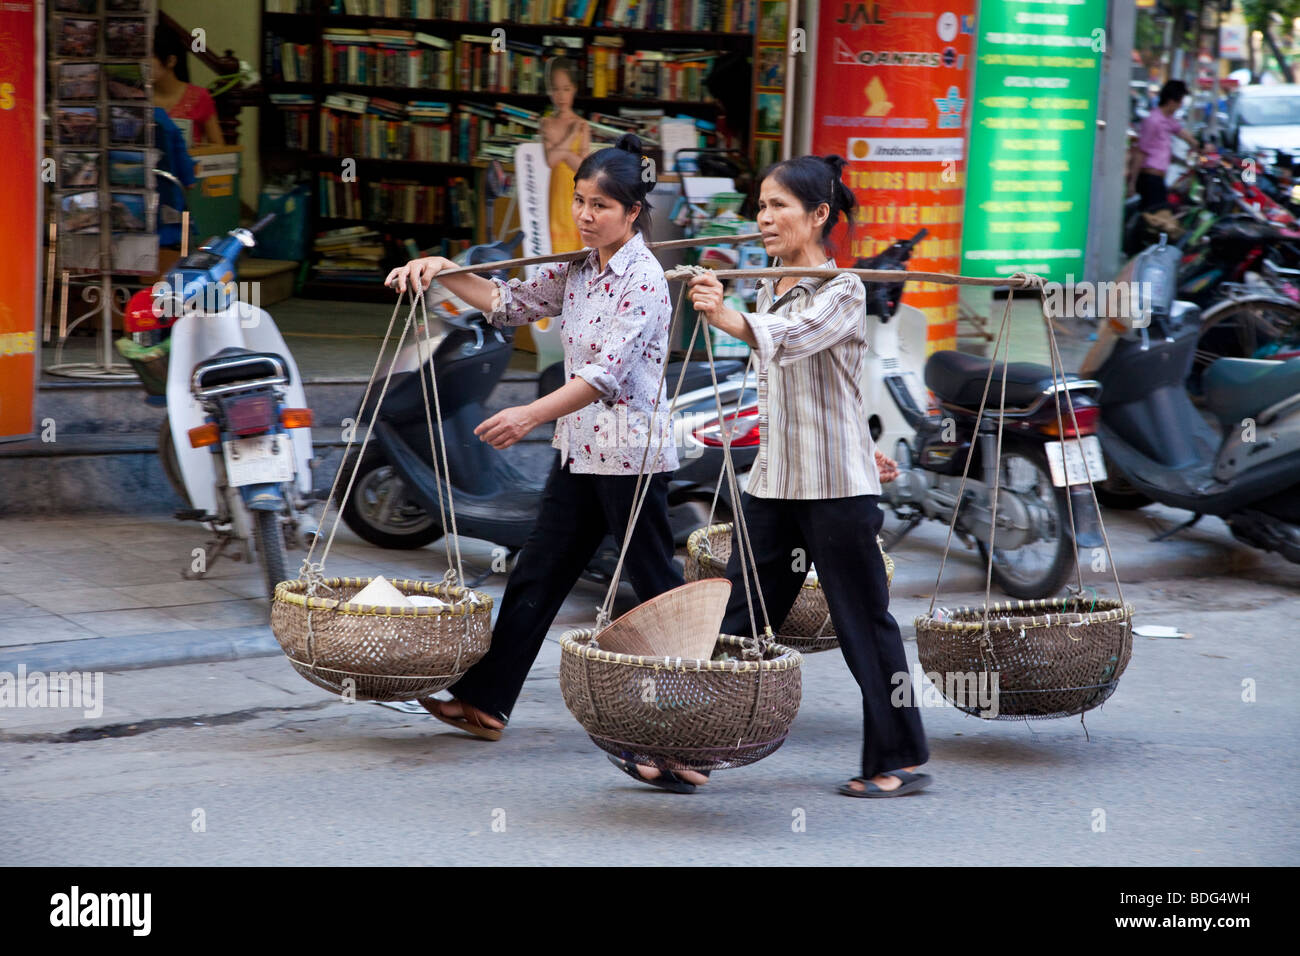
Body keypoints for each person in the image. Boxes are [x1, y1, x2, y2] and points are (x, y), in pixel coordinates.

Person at [384, 135, 704, 790]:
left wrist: (529, 415)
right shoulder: (579, 269)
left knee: (658, 594)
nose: (587, 215)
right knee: (538, 573)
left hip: (632, 458)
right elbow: (508, 304)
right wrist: (444, 268)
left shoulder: (641, 281)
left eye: (603, 206)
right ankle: (484, 702)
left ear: (634, 211)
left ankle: (691, 733)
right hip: (581, 453)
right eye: (582, 201)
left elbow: (604, 375)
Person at [685, 154, 932, 798]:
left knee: (861, 621)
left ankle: (897, 753)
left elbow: (788, 339)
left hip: (836, 489)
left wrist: (726, 316)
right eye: (760, 206)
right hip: (772, 485)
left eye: (779, 207)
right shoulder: (769, 279)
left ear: (819, 216)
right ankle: (693, 747)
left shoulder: (843, 290)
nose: (763, 218)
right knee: (737, 616)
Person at [539, 58, 591, 254]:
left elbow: (583, 168)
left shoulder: (582, 125)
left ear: (574, 89)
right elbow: (550, 161)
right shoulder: (546, 123)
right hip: (553, 195)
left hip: (575, 193)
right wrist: (570, 137)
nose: (561, 95)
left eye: (566, 89)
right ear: (549, 90)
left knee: (575, 253)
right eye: (555, 89)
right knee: (552, 253)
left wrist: (560, 150)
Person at [1129, 79, 1198, 212]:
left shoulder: (1167, 120)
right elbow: (1140, 152)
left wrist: (1198, 145)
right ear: (1171, 102)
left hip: (1159, 178)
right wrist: (1132, 182)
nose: (1180, 106)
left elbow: (1182, 133)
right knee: (1155, 219)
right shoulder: (1153, 120)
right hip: (1150, 179)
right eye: (1180, 102)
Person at [151, 24, 224, 147]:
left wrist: (195, 148)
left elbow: (218, 146)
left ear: (170, 61)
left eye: (149, 56)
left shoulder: (200, 96)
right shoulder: (137, 97)